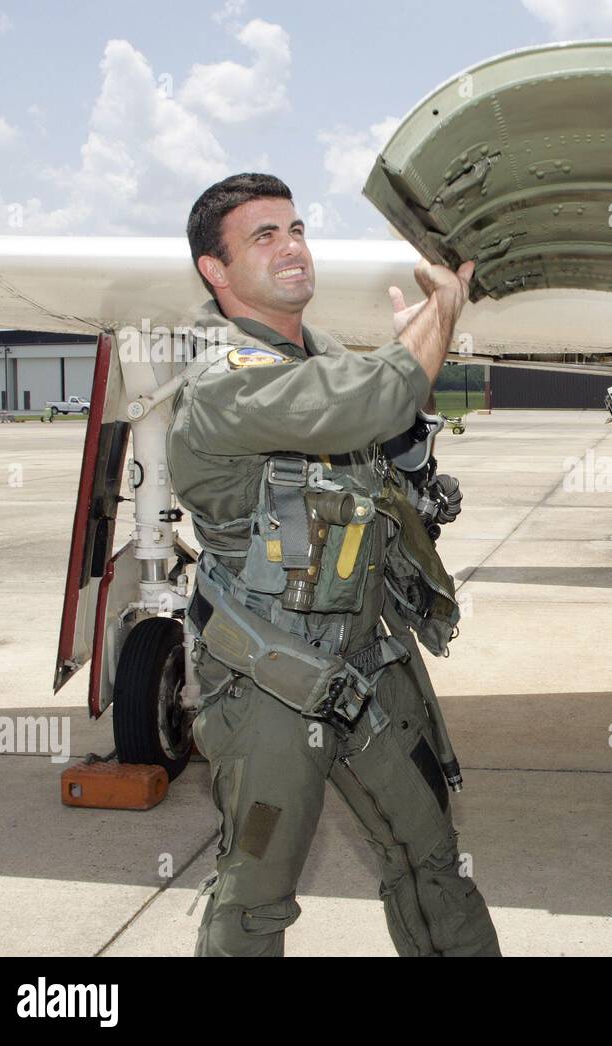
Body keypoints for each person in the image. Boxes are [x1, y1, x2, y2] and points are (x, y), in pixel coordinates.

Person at [167, 172, 499, 957]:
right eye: (264, 236)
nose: (292, 248)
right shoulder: (227, 383)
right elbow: (370, 401)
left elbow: (382, 438)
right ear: (215, 271)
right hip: (269, 684)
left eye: (297, 229)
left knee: (430, 857)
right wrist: (440, 313)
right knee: (255, 897)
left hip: (363, 664)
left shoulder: (322, 360)